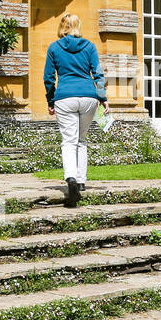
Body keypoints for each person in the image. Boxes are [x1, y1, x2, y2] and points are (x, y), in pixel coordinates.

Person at [44, 13, 106, 207]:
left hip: (65, 96)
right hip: (88, 97)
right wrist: (103, 98)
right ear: (78, 26)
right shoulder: (89, 46)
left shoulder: (54, 47)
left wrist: (50, 100)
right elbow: (98, 73)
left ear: (62, 27)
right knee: (81, 139)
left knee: (69, 140)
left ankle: (70, 177)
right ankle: (81, 181)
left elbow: (48, 77)